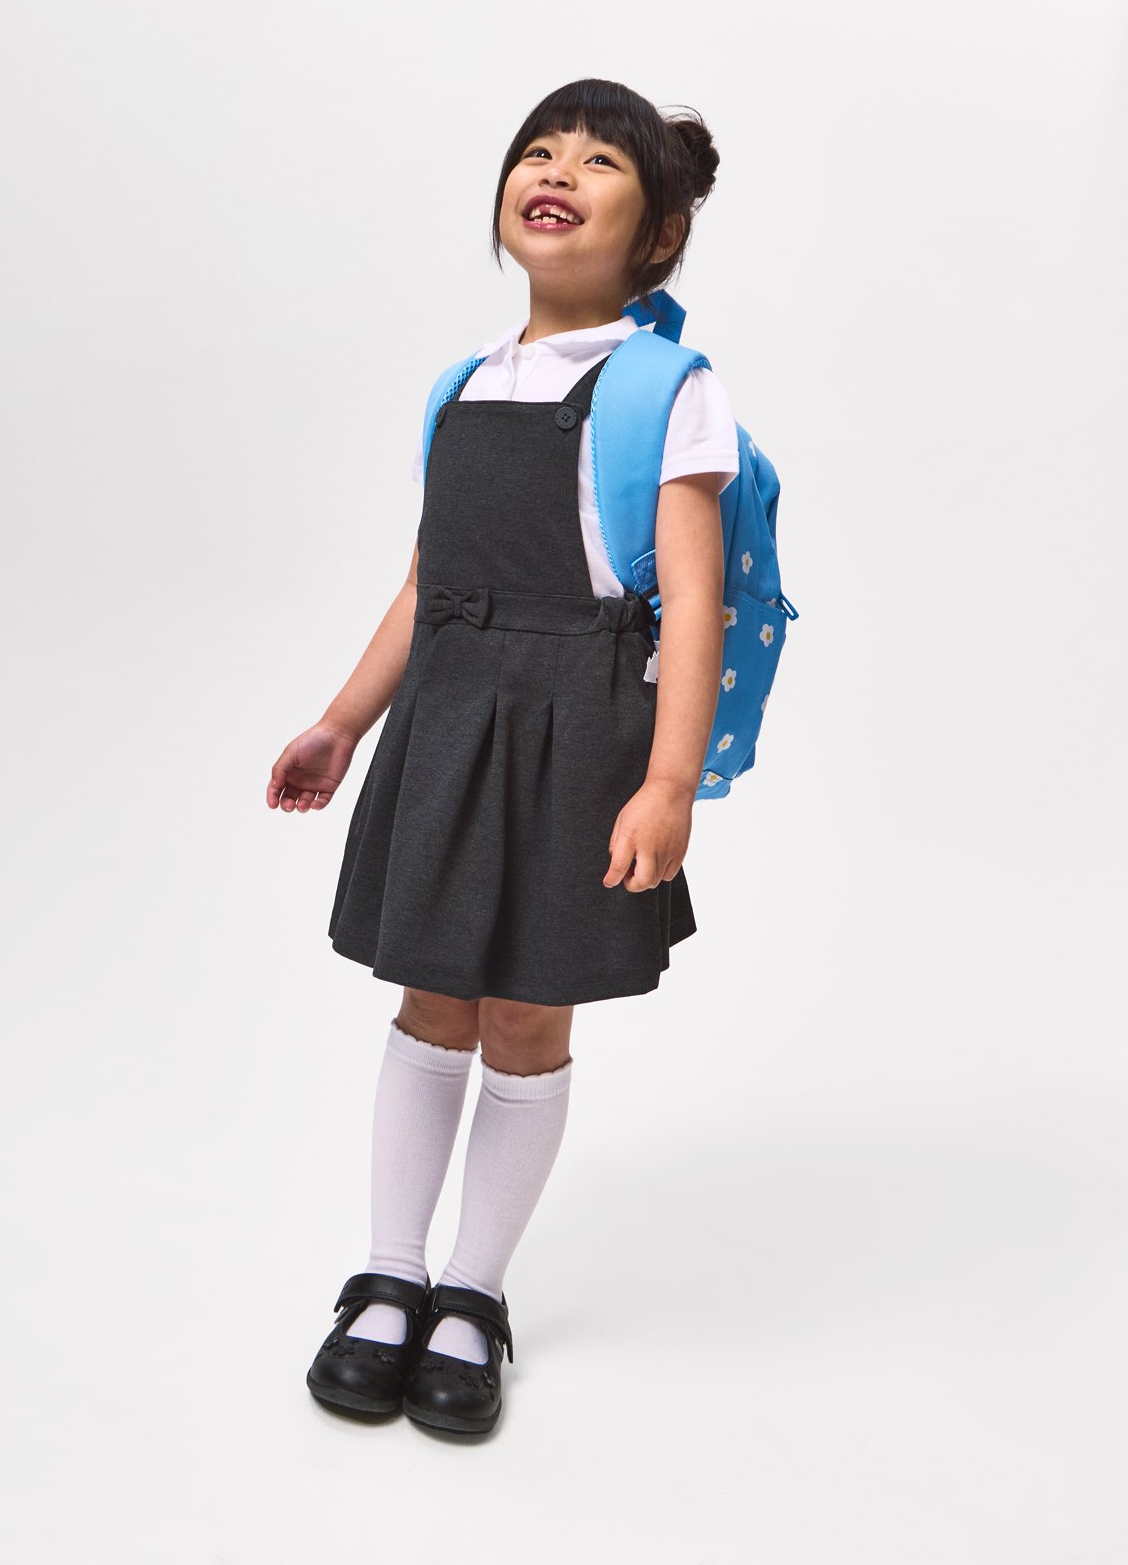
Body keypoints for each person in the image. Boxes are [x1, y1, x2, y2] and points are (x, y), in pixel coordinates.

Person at [266, 78, 740, 1436]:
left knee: (527, 1013)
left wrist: (666, 783)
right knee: (431, 999)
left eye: (599, 162)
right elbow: (428, 582)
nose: (558, 172)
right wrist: (344, 720)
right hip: (453, 716)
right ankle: (388, 1276)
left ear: (657, 234)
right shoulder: (464, 383)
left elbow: (692, 602)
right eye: (538, 151)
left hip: (581, 729)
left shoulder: (667, 389)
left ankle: (473, 1292)